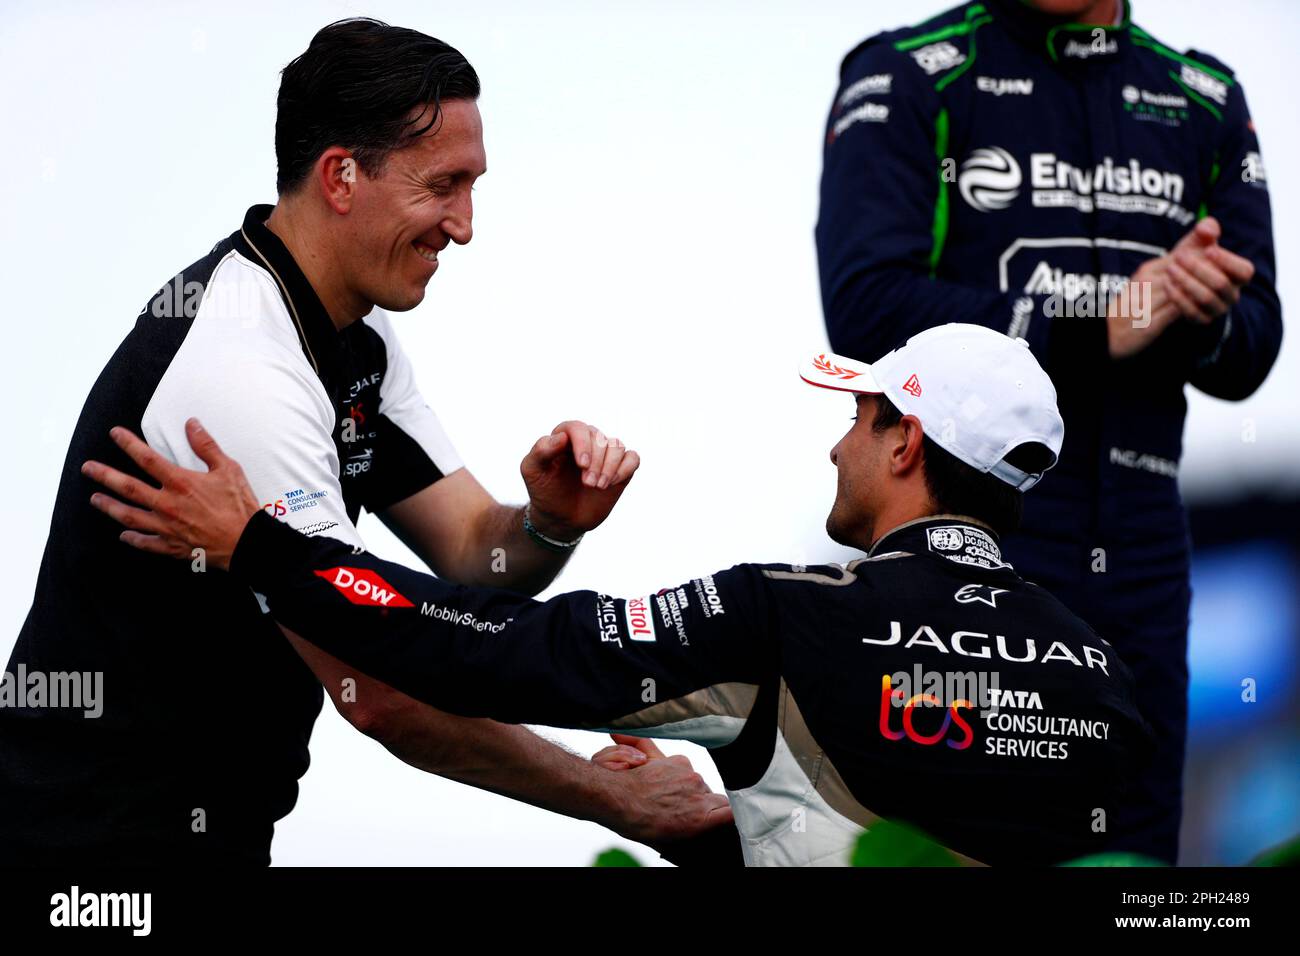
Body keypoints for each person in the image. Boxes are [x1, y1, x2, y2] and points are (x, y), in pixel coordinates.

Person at [0, 17, 727, 866]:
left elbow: (467, 552)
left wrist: (547, 523)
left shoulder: (356, 334)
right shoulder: (238, 372)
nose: (463, 227)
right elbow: (378, 688)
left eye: (473, 187)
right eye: (442, 186)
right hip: (84, 854)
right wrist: (615, 796)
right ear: (341, 176)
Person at [83, 323, 1152, 866]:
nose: (838, 442)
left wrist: (262, 545)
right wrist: (708, 829)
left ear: (906, 438)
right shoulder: (1107, 675)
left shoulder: (786, 611)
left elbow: (489, 647)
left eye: (860, 416)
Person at [815, 0, 1282, 862]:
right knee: (959, 837)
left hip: (1143, 547)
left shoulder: (1204, 97)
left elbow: (1252, 345)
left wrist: (1194, 310)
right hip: (966, 539)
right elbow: (864, 306)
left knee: (1135, 852)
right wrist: (1095, 324)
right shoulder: (909, 72)